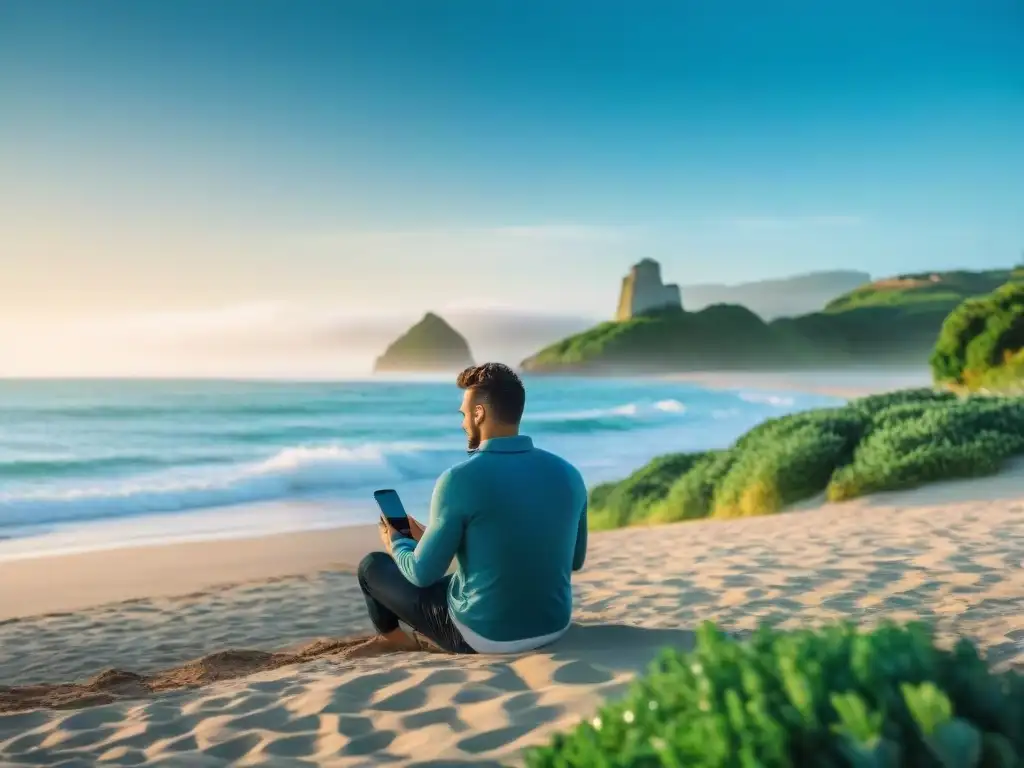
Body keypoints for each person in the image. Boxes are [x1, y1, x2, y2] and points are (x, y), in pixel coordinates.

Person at [356, 362, 588, 655]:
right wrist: (431, 537)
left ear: (479, 413)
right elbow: (574, 560)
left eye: (464, 413)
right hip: (554, 625)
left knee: (372, 566)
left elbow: (421, 575)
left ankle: (394, 638)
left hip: (484, 636)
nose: (463, 422)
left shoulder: (458, 480)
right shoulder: (569, 473)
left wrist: (397, 543)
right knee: (467, 574)